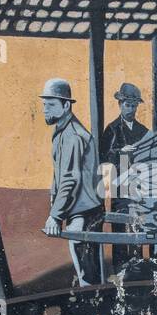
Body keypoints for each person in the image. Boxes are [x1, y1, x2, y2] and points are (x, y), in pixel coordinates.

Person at [40, 78, 104, 287]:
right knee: (84, 264)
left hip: (85, 211)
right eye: (44, 104)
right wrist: (54, 199)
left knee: (86, 270)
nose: (45, 109)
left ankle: (92, 299)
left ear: (66, 105)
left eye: (51, 104)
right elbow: (59, 173)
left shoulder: (73, 135)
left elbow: (70, 178)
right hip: (77, 208)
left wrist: (55, 215)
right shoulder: (62, 131)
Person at [100, 82, 149, 265]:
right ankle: (120, 264)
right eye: (128, 105)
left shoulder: (143, 131)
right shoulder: (112, 129)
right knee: (120, 225)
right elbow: (103, 155)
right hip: (119, 185)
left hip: (140, 185)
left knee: (139, 223)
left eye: (134, 106)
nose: (131, 109)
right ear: (120, 104)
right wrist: (120, 151)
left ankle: (137, 262)